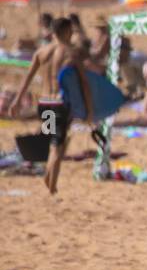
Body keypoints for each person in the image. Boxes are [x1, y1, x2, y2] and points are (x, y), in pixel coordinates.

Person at [5, 17, 93, 196]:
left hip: (44, 103)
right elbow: (84, 83)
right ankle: (49, 179)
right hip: (60, 104)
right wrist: (89, 109)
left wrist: (16, 102)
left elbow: (27, 78)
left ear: (53, 32)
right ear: (68, 31)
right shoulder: (71, 54)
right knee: (57, 145)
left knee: (52, 142)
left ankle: (52, 184)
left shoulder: (41, 52)